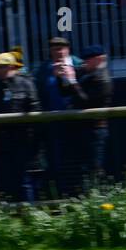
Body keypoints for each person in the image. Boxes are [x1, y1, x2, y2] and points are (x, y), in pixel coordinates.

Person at [0, 52, 41, 203]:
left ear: (10, 66)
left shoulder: (26, 83)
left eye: (0, 67)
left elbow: (35, 108)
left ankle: (29, 212)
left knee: (25, 179)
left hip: (24, 139)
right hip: (3, 140)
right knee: (9, 178)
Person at [60, 44, 114, 191]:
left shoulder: (102, 78)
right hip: (84, 128)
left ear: (98, 59)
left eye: (87, 60)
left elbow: (87, 102)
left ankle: (98, 198)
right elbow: (66, 92)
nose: (84, 63)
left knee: (94, 168)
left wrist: (72, 81)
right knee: (85, 167)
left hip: (95, 130)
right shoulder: (89, 73)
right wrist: (64, 76)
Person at [32, 35, 81, 194]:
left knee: (77, 162)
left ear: (68, 50)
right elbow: (37, 91)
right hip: (52, 123)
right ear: (50, 52)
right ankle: (58, 197)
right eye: (55, 50)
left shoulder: (79, 64)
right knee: (55, 163)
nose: (59, 53)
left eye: (62, 49)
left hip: (77, 122)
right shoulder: (43, 69)